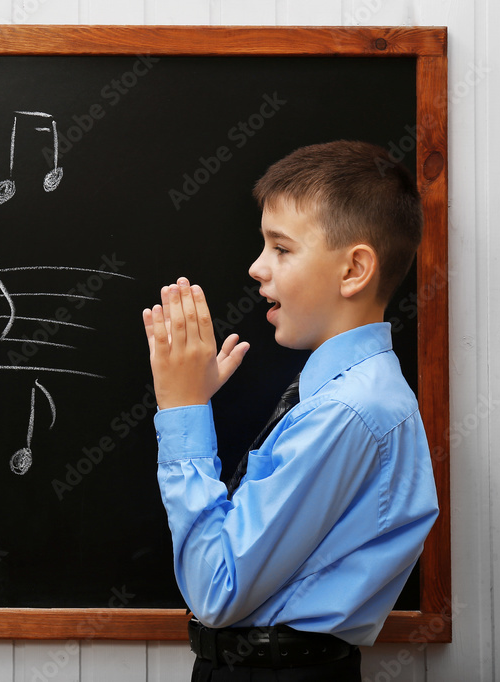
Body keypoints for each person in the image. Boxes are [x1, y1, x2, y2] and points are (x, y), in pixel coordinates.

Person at [142, 141, 440, 681]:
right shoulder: (340, 396)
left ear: (354, 270)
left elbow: (217, 589)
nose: (257, 268)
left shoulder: (349, 411)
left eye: (281, 248)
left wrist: (183, 408)